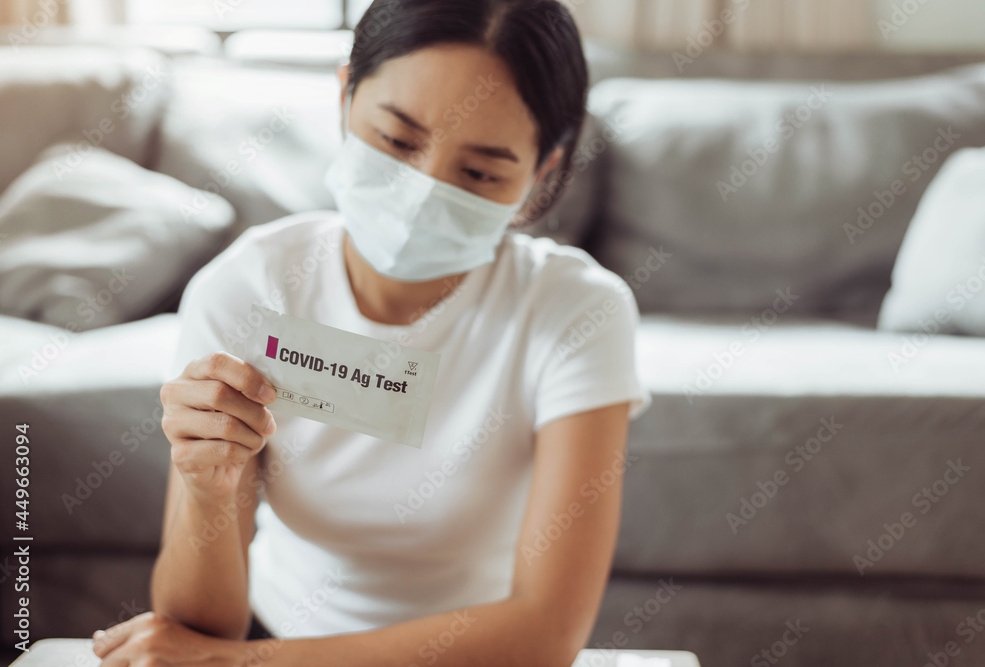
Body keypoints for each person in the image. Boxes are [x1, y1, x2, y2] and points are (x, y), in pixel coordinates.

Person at [91, 0, 651, 664]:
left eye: (478, 173)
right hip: (275, 634)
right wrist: (207, 487)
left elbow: (547, 631)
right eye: (396, 139)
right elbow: (198, 631)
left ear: (544, 174)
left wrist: (244, 664)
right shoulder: (247, 288)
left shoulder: (578, 310)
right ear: (344, 96)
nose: (420, 194)